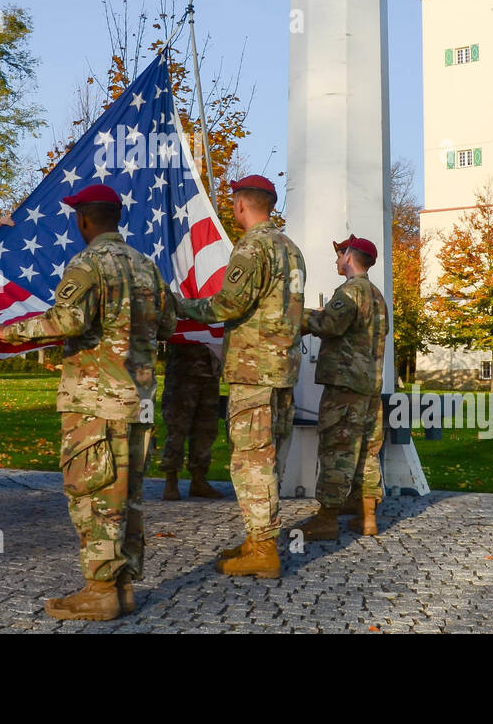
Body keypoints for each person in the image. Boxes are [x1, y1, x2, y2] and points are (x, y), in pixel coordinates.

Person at [0, 184, 175, 621]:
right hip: (139, 400)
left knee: (94, 494)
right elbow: (166, 322)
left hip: (96, 401)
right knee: (125, 495)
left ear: (84, 220)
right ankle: (122, 586)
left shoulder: (88, 264)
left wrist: (6, 332)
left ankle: (101, 589)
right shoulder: (147, 266)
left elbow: (67, 319)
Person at [175, 175, 305, 579]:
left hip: (255, 369)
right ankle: (257, 537)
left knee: (251, 461)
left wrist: (181, 307)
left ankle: (264, 550)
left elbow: (228, 305)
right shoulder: (291, 248)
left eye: (232, 201)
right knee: (270, 456)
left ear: (242, 205)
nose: (231, 207)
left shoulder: (252, 247)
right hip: (282, 368)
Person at [299, 235, 389, 540]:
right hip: (370, 388)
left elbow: (329, 325)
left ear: (349, 255)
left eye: (339, 254)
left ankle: (326, 519)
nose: (336, 259)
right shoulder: (377, 296)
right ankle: (368, 518)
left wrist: (297, 316)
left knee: (337, 449)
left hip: (345, 386)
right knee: (367, 451)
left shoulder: (350, 291)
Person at [160, 340, 223, 500]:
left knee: (206, 428)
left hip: (210, 370)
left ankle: (199, 480)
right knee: (177, 427)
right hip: (182, 370)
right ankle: (171, 479)